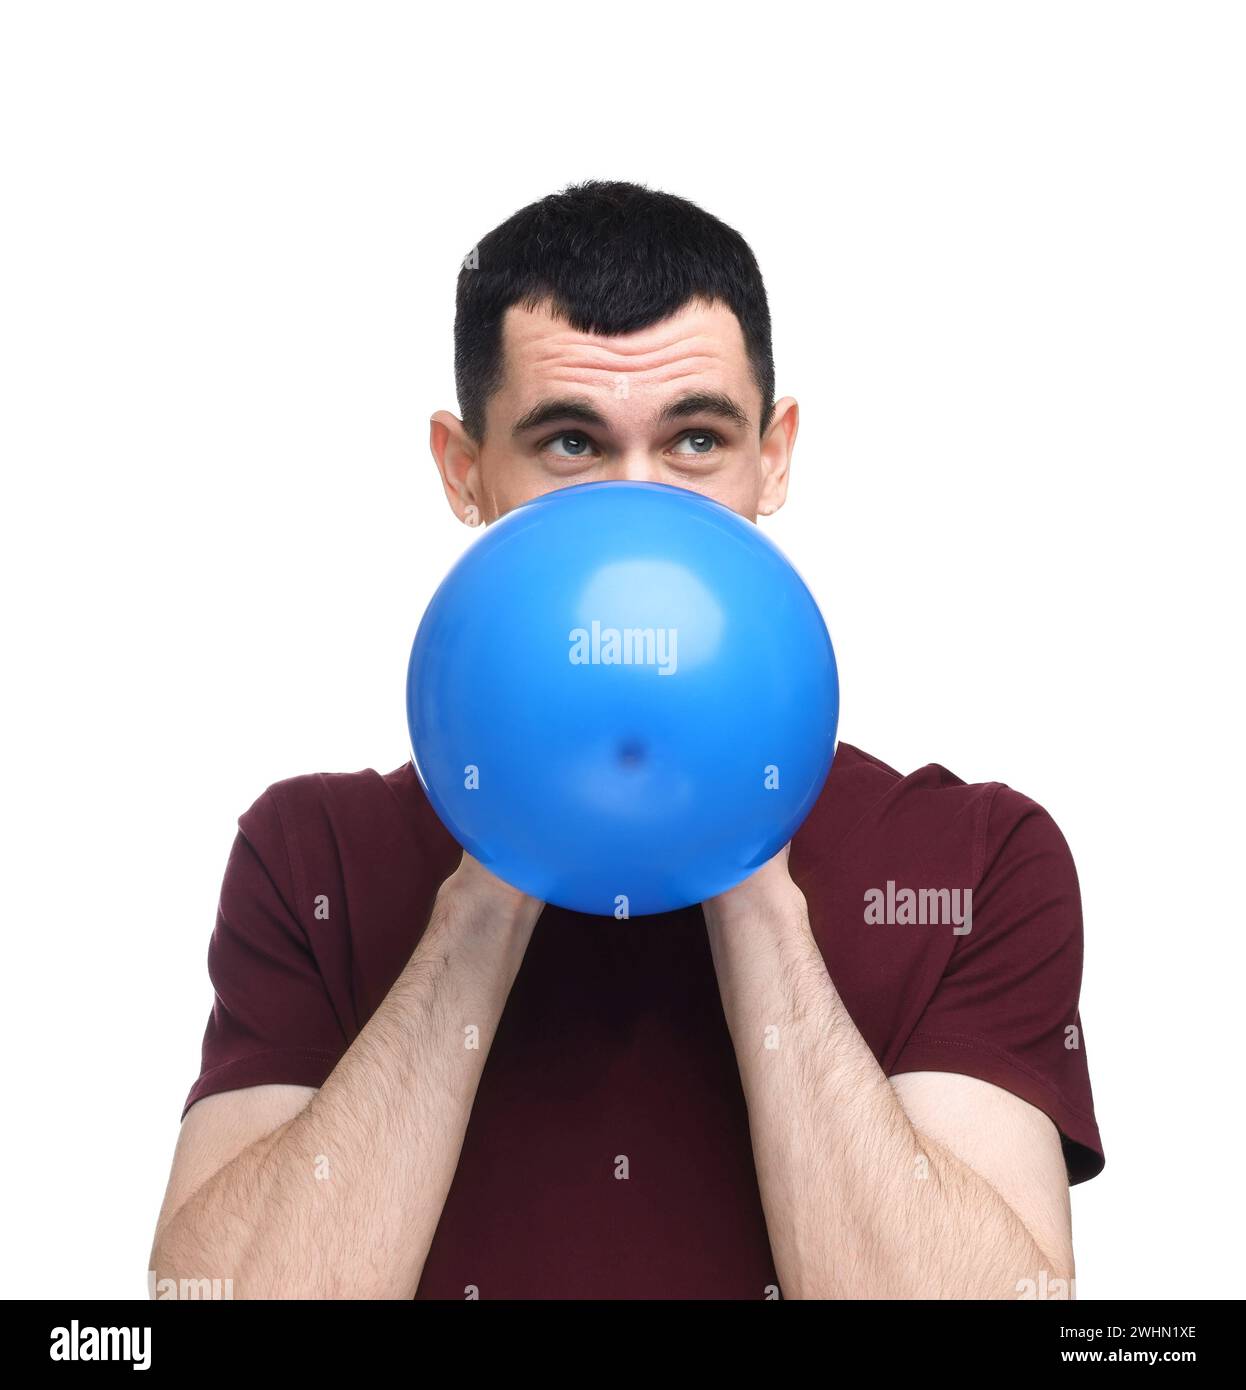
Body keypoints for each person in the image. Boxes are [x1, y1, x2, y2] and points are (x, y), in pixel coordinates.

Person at [150, 180, 1103, 1300]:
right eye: (570, 442)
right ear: (464, 471)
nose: (638, 515)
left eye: (697, 439)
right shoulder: (309, 853)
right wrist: (492, 877)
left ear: (774, 458)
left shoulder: (974, 861)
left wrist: (747, 866)